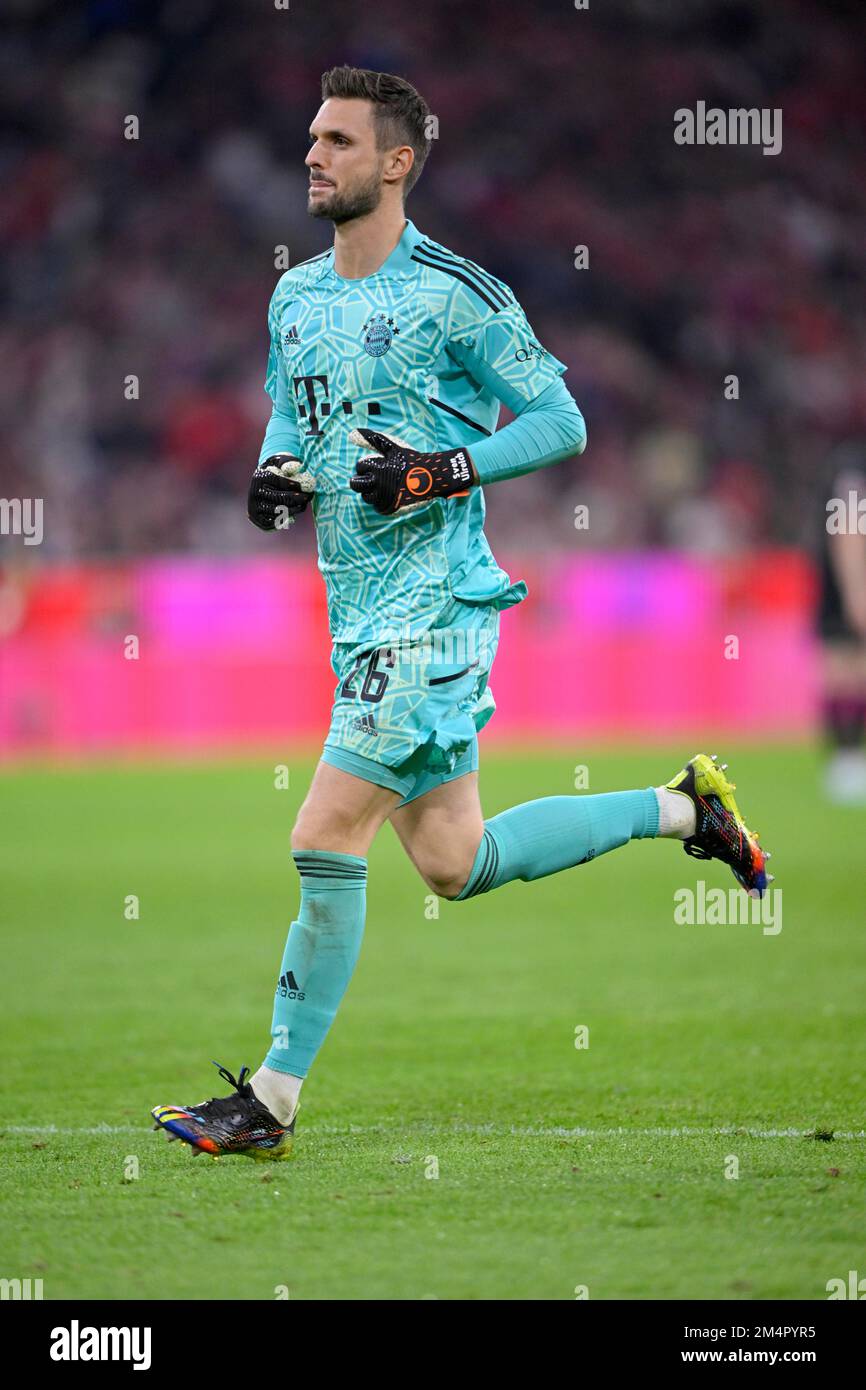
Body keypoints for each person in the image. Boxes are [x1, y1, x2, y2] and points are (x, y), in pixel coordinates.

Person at [151, 66, 770, 1162]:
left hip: (434, 610)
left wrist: (440, 470)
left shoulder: (457, 293)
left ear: (393, 162)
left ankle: (273, 1099)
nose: (312, 155)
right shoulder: (293, 295)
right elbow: (285, 413)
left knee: (321, 833)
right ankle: (686, 809)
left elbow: (559, 420)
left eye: (337, 141)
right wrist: (270, 475)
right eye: (311, 138)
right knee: (453, 860)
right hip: (355, 610)